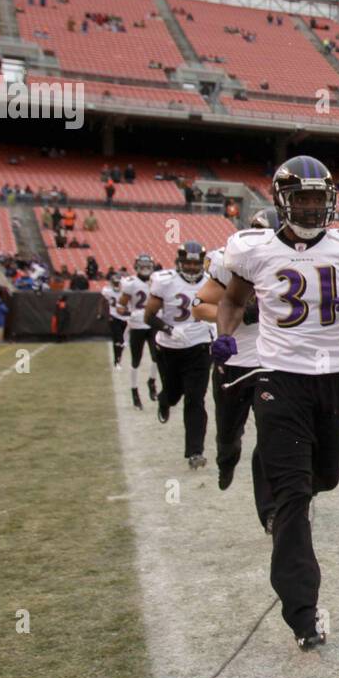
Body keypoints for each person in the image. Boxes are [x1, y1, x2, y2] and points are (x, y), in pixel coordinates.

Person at [213, 156, 339, 652]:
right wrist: (225, 337)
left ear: (329, 199)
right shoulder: (253, 249)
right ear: (283, 200)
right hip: (278, 379)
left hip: (332, 379)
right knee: (292, 497)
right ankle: (302, 613)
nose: (310, 206)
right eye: (301, 197)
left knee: (323, 477)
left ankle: (280, 473)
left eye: (316, 197)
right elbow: (231, 299)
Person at [194, 211, 275, 514]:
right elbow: (199, 305)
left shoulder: (294, 261)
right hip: (235, 361)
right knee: (228, 435)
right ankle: (226, 461)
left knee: (273, 437)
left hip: (273, 362)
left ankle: (271, 510)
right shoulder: (229, 261)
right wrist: (238, 315)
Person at [144, 242, 214, 470]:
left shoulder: (211, 282)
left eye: (196, 263)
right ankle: (164, 400)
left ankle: (195, 451)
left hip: (199, 347)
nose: (192, 267)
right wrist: (168, 329)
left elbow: (220, 307)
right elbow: (149, 316)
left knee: (195, 399)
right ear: (180, 262)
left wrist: (214, 327)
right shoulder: (165, 281)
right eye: (189, 262)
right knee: (174, 394)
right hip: (170, 348)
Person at [118, 254, 161, 410]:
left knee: (157, 357)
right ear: (136, 267)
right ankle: (134, 390)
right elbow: (121, 305)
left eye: (147, 265)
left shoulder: (157, 281)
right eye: (142, 266)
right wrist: (127, 313)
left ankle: (152, 381)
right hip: (137, 325)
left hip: (153, 323)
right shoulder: (130, 283)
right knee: (136, 360)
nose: (145, 269)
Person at [102, 273, 127, 369]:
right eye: (115, 283)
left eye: (118, 283)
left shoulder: (125, 291)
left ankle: (118, 358)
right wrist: (103, 313)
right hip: (114, 317)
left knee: (121, 341)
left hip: (125, 318)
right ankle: (117, 360)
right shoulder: (107, 291)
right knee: (118, 339)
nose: (116, 285)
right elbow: (102, 301)